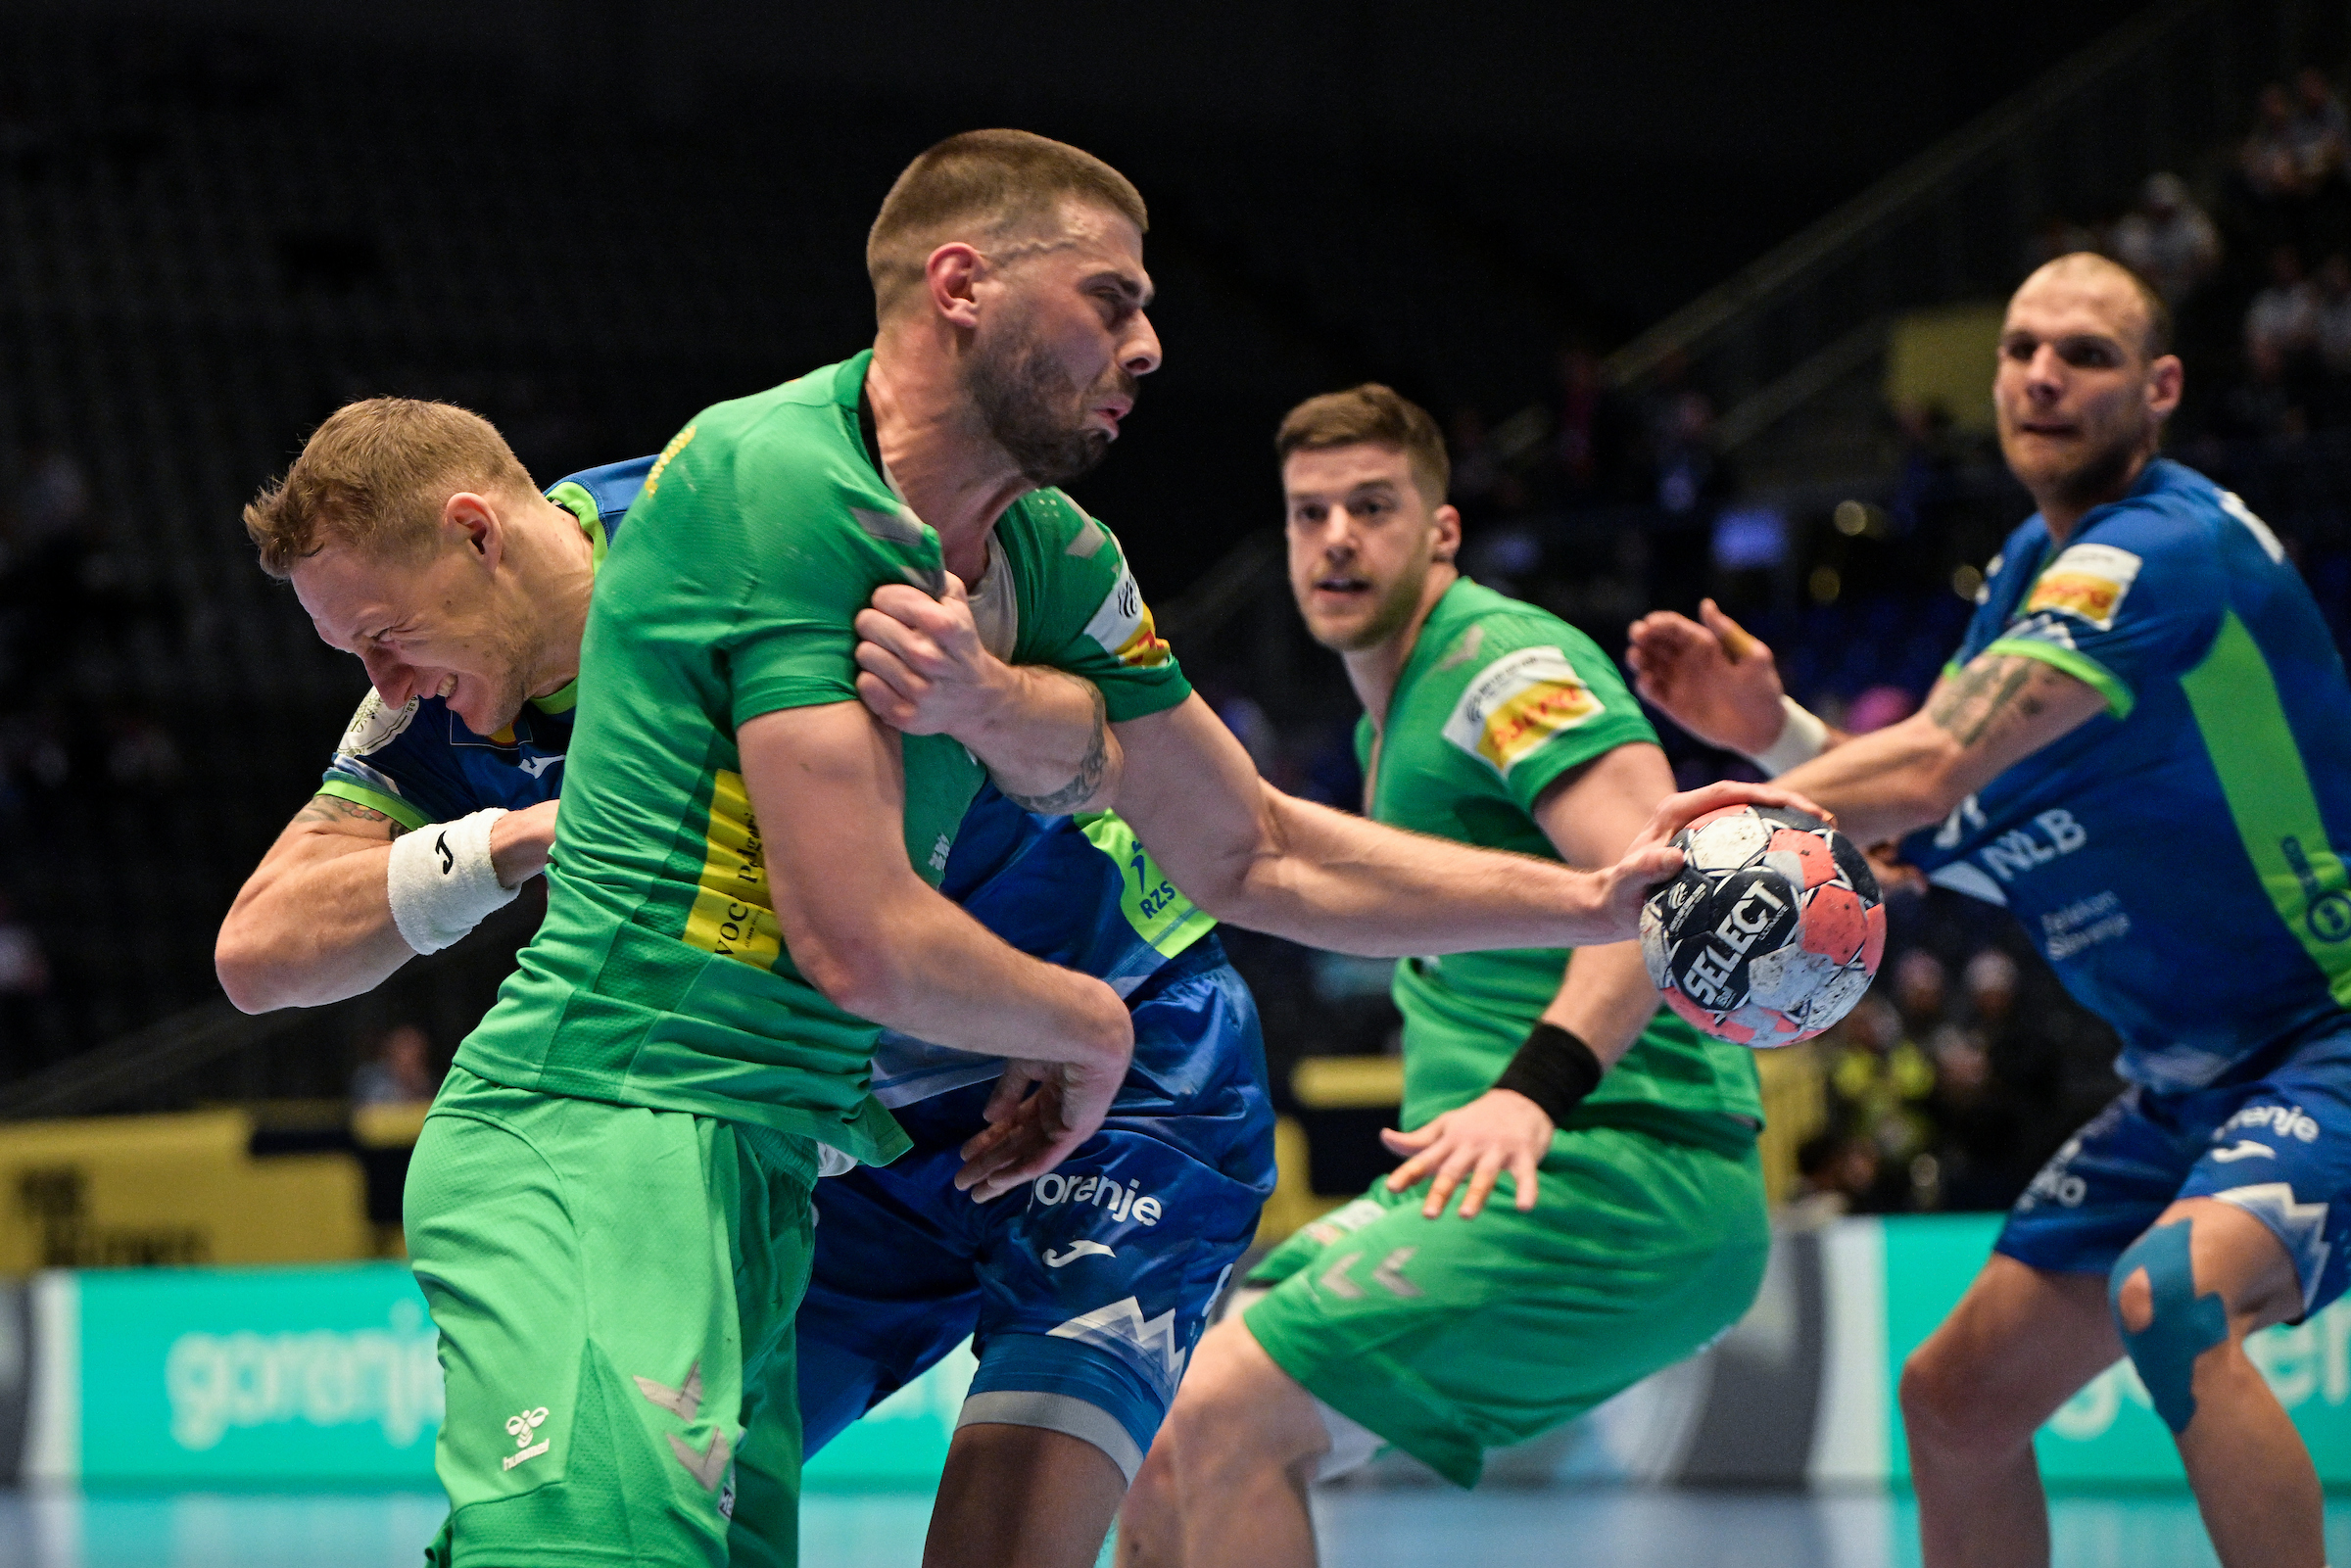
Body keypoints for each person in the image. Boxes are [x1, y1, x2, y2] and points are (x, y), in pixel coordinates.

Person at [247, 129, 1784, 1568]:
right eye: (1111, 299)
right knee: (651, 1518)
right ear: (962, 288)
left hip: (1128, 1091)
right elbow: (265, 947)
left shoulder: (1052, 555)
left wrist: (1595, 895)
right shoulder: (696, 528)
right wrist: (517, 834)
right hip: (843, 1103)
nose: (1152, 344)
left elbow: (1248, 848)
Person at [217, 402, 1274, 1568]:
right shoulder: (439, 697)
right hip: (834, 1126)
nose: (383, 677)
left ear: (477, 535)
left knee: (1001, 1542)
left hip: (1120, 1067)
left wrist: (1068, 1005)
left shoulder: (738, 534)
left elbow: (1068, 721)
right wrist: (506, 841)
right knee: (626, 1512)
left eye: (382, 633)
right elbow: (258, 950)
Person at [1628, 251, 2351, 1568]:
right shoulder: (2031, 562)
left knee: (2177, 1296)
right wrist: (1781, 731)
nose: (2040, 377)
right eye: (2020, 348)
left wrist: (1751, 801)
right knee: (1955, 1400)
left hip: (2332, 1033)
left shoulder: (2162, 552)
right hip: (2187, 1079)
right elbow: (1944, 834)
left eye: (2084, 354)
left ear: (2162, 387)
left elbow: (1930, 765)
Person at [1116, 385, 1774, 1568]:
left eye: (1372, 507)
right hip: (1495, 1181)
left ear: (1443, 531)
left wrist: (1536, 1086)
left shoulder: (1498, 665)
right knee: (1165, 1442)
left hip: (1619, 1164)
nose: (1336, 539)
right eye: (1309, 514)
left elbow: (1671, 894)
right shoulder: (1390, 724)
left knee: (1223, 1415)